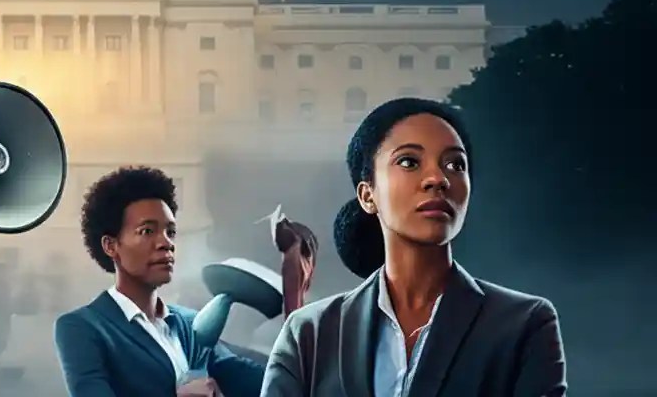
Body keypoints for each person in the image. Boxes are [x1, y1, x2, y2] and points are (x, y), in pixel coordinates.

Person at [261, 97, 568, 396]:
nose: (438, 178)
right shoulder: (309, 334)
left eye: (455, 164)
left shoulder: (523, 324)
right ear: (368, 195)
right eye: (409, 162)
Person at [53, 166, 265, 397]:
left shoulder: (192, 324)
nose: (166, 243)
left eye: (170, 232)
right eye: (147, 231)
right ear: (110, 245)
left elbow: (256, 379)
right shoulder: (83, 328)